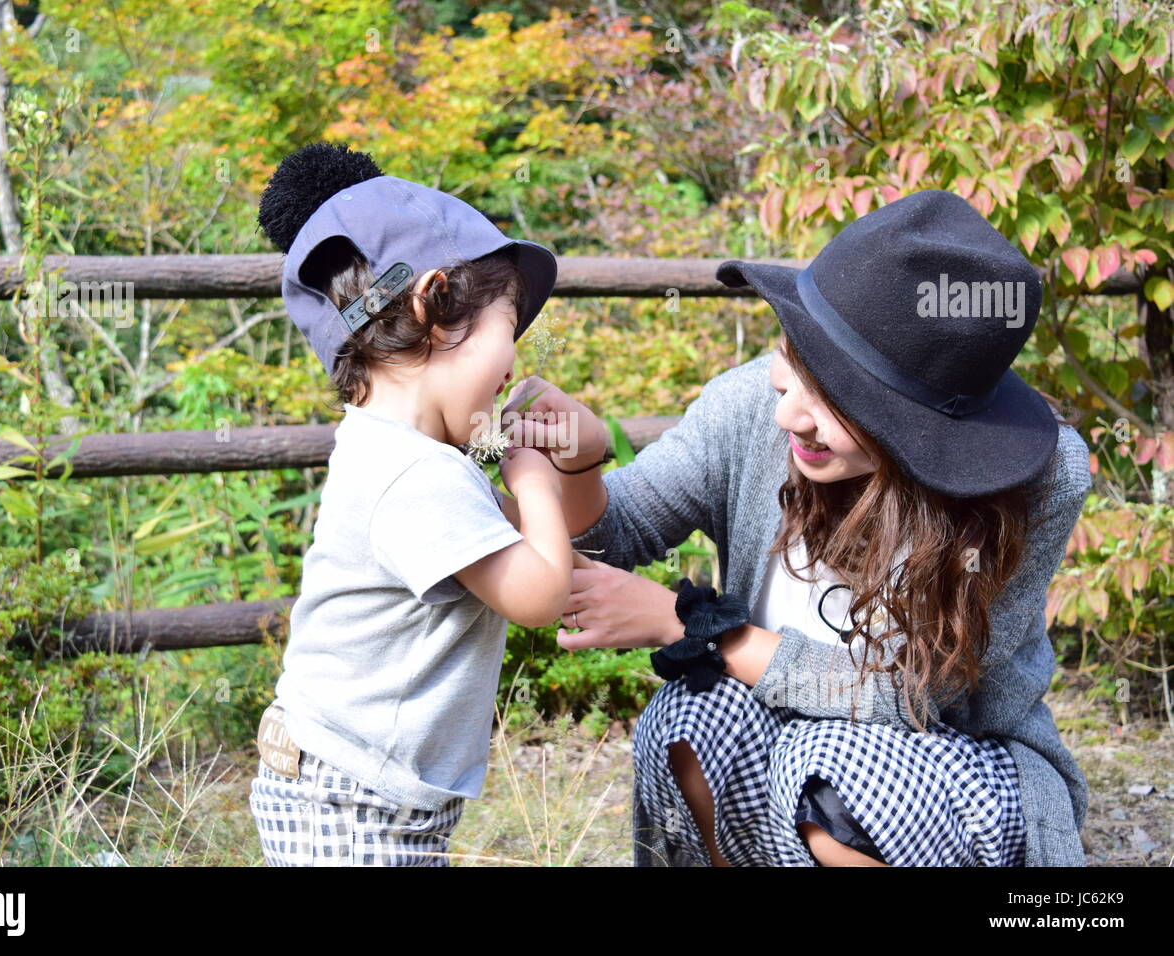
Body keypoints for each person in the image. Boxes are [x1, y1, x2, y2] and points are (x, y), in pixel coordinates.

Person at [503, 189, 1092, 867]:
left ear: (921, 428)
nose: (792, 417)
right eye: (793, 366)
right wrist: (581, 463)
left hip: (950, 762)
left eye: (837, 399)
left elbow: (928, 696)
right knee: (686, 722)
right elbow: (619, 530)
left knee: (831, 763)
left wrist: (696, 627)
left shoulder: (1037, 481)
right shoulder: (753, 405)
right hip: (778, 742)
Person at [247, 142, 572, 865]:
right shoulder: (417, 475)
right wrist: (536, 477)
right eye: (507, 327)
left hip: (348, 784)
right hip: (350, 799)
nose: (515, 360)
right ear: (435, 303)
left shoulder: (393, 450)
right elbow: (541, 591)